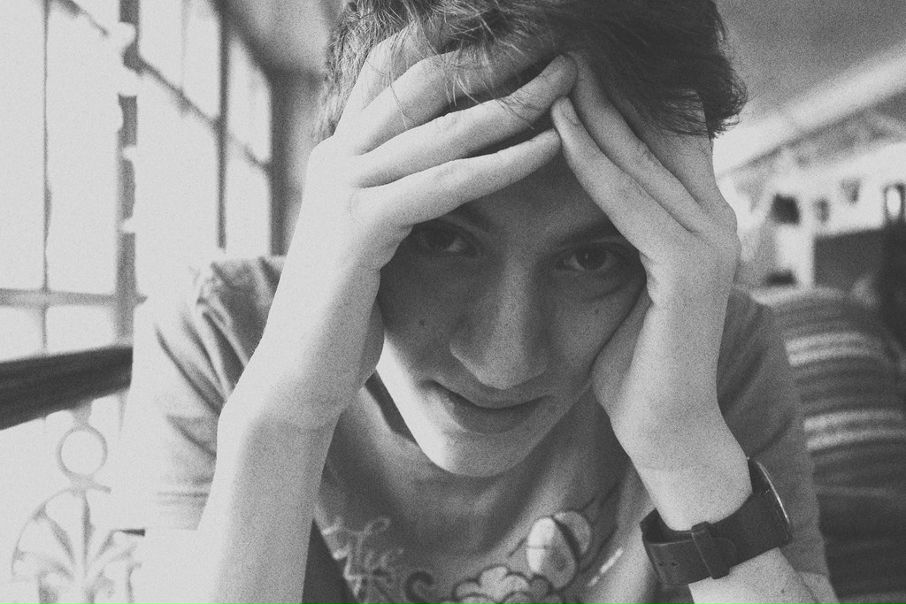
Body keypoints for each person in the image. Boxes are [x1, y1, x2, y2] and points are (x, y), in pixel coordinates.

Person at [114, 1, 839, 602]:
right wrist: (284, 418)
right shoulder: (220, 331)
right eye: (442, 238)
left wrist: (684, 448)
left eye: (592, 259)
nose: (504, 361)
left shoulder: (714, 349)